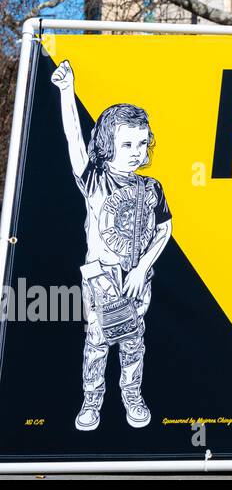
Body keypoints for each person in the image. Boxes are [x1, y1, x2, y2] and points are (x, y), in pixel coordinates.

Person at [51, 61, 172, 432]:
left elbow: (165, 228)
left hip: (137, 280)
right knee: (98, 341)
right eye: (127, 144)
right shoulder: (95, 180)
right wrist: (66, 91)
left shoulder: (151, 188)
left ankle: (132, 396)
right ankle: (92, 401)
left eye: (142, 142)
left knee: (134, 341)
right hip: (102, 279)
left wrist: (141, 268)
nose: (137, 151)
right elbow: (73, 139)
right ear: (107, 146)